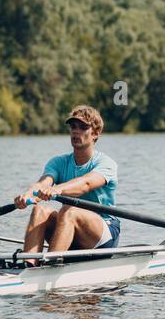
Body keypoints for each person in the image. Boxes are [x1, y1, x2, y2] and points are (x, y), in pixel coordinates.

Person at [15, 105, 119, 258]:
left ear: (96, 133)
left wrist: (57, 190)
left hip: (103, 236)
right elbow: (43, 184)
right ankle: (28, 263)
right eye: (73, 126)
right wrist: (27, 196)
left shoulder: (106, 163)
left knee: (68, 211)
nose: (76, 131)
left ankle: (50, 265)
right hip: (70, 229)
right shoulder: (58, 162)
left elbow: (86, 184)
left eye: (83, 127)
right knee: (40, 210)